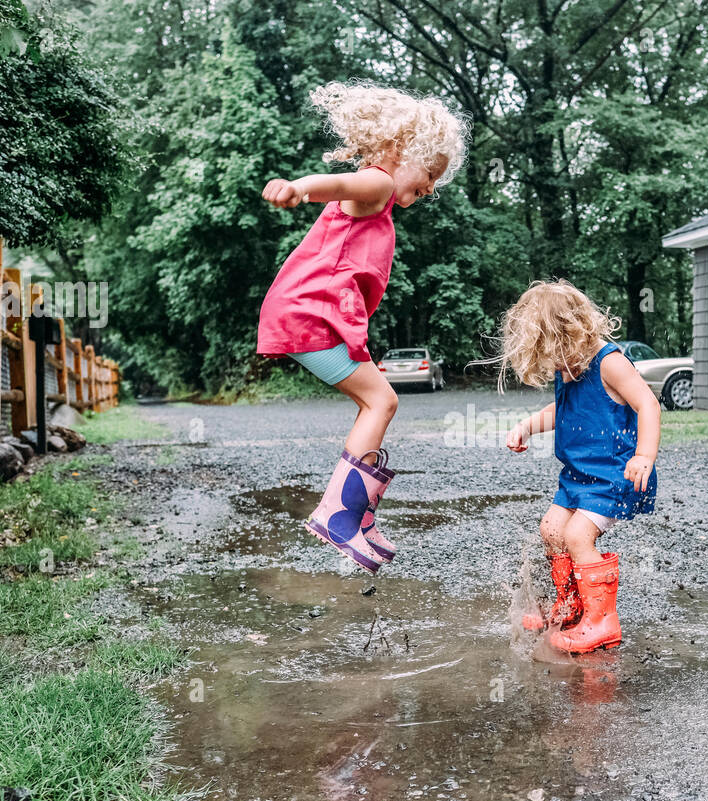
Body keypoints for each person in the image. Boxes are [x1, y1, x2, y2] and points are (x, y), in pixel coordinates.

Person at [257, 82, 469, 572]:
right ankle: (340, 514)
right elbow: (340, 184)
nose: (432, 186)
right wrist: (300, 188)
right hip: (308, 317)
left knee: (372, 402)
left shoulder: (383, 199)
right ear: (398, 153)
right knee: (382, 399)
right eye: (429, 172)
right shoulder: (377, 185)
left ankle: (360, 515)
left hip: (314, 316)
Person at [500, 280, 660, 653]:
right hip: (577, 475)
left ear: (568, 334)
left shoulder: (610, 363)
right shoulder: (568, 368)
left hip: (614, 474)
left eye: (549, 352)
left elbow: (648, 404)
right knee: (552, 529)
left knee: (577, 536)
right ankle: (572, 607)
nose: (551, 364)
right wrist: (527, 426)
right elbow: (563, 410)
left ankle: (602, 621)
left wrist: (644, 456)